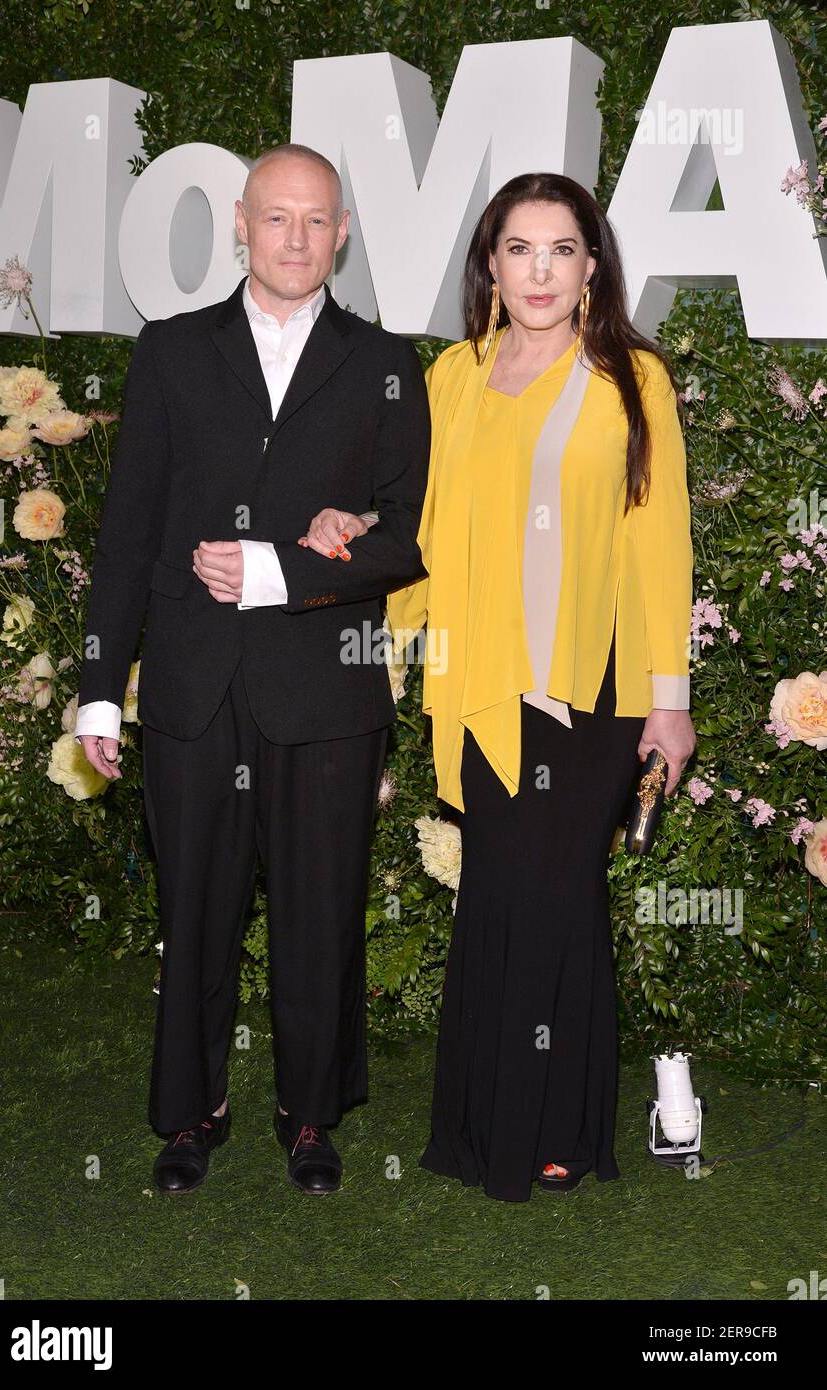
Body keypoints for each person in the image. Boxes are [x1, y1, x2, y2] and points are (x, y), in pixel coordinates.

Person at [75, 143, 430, 1195]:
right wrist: (101, 680)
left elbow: (408, 534)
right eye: (276, 219)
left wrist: (290, 564)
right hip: (191, 680)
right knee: (193, 908)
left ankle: (309, 1113)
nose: (295, 239)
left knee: (321, 907)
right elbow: (129, 529)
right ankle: (191, 1110)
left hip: (323, 684)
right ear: (239, 222)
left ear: (344, 233)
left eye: (316, 221)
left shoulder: (384, 360)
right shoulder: (172, 350)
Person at [384, 172, 696, 1202]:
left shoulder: (629, 378)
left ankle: (557, 1131)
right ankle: (477, 1132)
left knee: (558, 899)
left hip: (591, 686)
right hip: (477, 673)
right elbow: (416, 516)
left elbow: (659, 542)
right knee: (497, 898)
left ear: (591, 265)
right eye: (518, 248)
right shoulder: (451, 374)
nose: (539, 270)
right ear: (489, 262)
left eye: (560, 249)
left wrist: (670, 696)